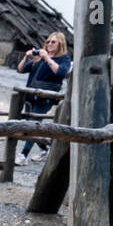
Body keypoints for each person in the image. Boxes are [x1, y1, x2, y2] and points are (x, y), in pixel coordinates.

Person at [16, 32, 72, 162]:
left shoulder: (64, 58)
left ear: (61, 44)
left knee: (33, 125)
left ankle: (23, 155)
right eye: (48, 42)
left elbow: (61, 72)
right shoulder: (39, 58)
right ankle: (44, 149)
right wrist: (26, 57)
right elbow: (20, 70)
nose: (49, 44)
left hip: (45, 98)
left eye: (53, 42)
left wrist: (47, 58)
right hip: (30, 96)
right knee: (29, 125)